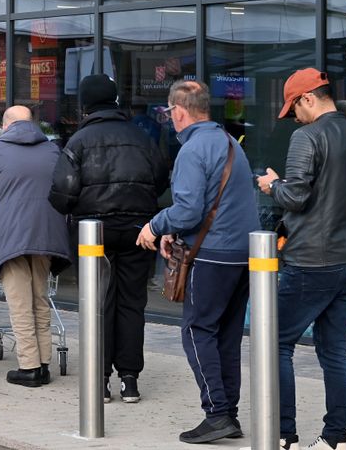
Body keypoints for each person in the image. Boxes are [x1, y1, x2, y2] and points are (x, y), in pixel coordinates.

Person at [256, 69, 346, 450]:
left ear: (309, 98)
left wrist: (272, 184)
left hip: (310, 261)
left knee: (276, 343)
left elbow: (294, 198)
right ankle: (335, 438)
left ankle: (283, 433)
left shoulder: (306, 137)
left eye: (294, 107)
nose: (293, 117)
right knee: (333, 352)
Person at [137, 79, 260, 444]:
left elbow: (189, 209)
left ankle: (217, 413)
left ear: (178, 111)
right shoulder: (229, 143)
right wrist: (179, 230)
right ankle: (229, 413)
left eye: (169, 113)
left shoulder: (192, 150)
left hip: (212, 256)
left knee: (196, 331)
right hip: (244, 255)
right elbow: (213, 204)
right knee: (226, 335)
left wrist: (155, 225)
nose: (170, 119)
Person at [49, 74, 168, 404]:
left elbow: (61, 193)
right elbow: (160, 180)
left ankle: (99, 380)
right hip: (137, 231)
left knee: (98, 304)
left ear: (86, 104)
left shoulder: (79, 141)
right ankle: (129, 380)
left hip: (93, 233)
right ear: (115, 101)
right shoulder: (141, 137)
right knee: (132, 303)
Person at [0, 105, 68, 387]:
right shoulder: (52, 150)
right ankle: (44, 362)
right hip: (46, 234)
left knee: (20, 302)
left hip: (12, 235)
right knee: (40, 298)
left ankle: (29, 367)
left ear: (5, 126)